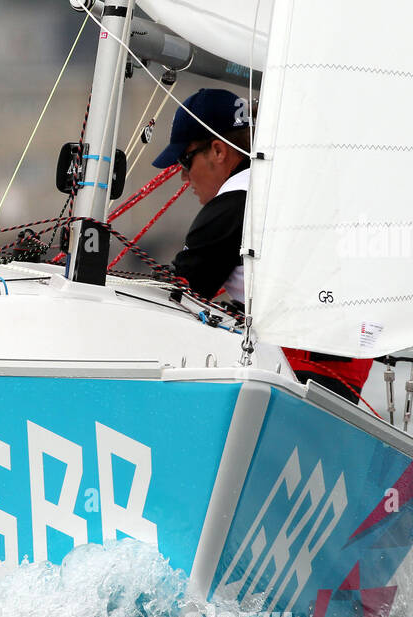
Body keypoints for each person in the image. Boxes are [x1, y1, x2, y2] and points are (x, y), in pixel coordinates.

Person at [153, 88, 372, 404]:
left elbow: (176, 294)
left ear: (218, 150)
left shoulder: (235, 203)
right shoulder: (285, 186)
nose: (183, 177)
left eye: (186, 161)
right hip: (342, 377)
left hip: (295, 375)